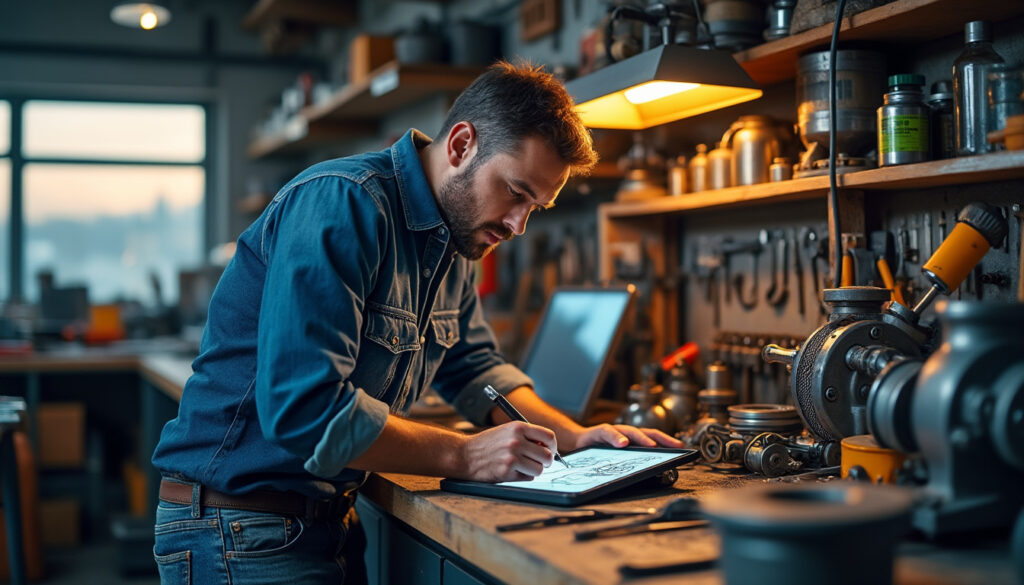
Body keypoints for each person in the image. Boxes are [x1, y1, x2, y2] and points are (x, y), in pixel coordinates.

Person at [151, 61, 682, 584]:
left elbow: (475, 368)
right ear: (460, 146)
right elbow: (303, 409)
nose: (519, 224)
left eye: (536, 207)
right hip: (238, 529)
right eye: (517, 192)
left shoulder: (453, 241)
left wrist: (572, 437)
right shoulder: (345, 202)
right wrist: (465, 454)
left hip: (320, 522)